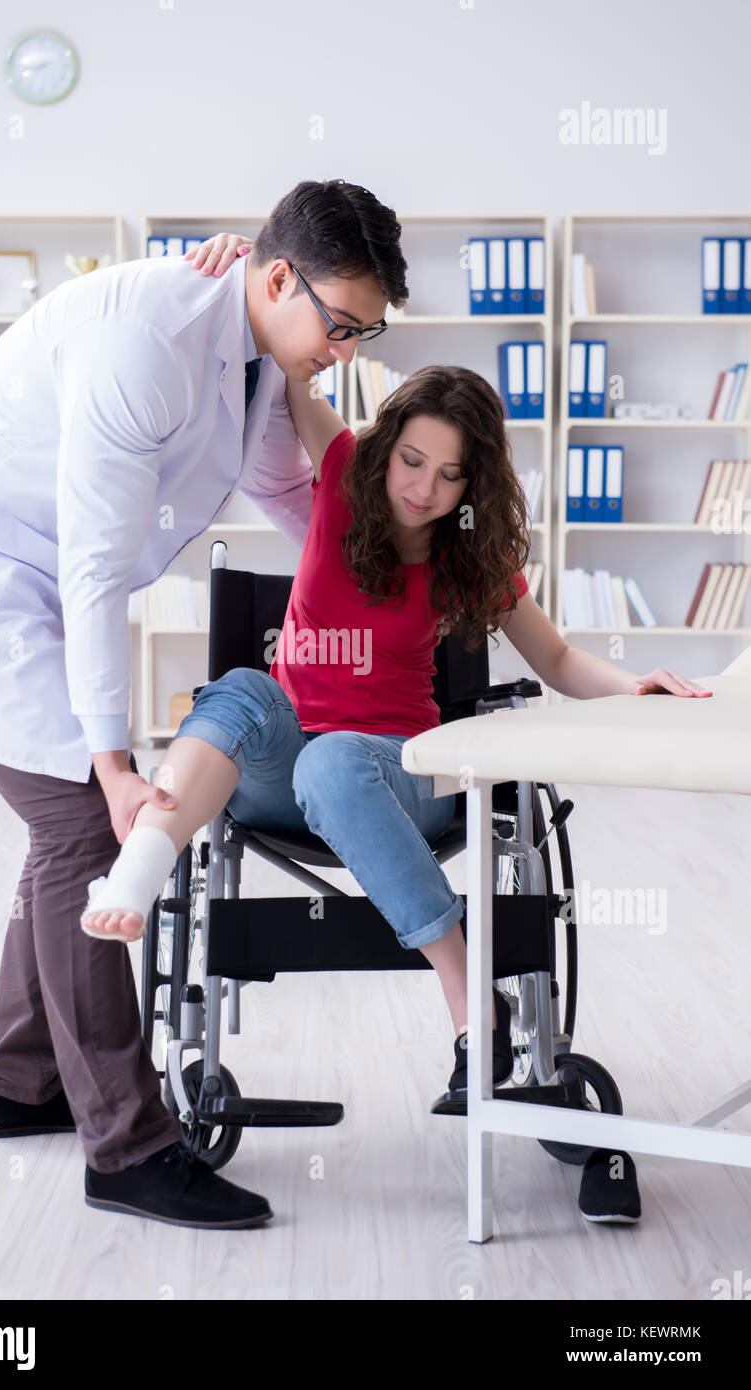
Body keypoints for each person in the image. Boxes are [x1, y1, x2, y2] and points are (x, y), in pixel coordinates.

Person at [81, 232, 713, 1226]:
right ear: (386, 441)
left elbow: (554, 661)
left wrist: (638, 686)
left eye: (447, 475)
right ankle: (145, 856)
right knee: (243, 690)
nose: (418, 485)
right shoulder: (339, 468)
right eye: (410, 457)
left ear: (473, 487)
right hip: (282, 753)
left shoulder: (470, 562)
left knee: (335, 760)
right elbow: (290, 342)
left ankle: (471, 1013)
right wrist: (223, 260)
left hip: (396, 769)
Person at [0, 180, 410, 1231]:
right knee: (84, 821)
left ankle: (19, 1080)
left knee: (61, 830)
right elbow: (90, 567)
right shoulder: (146, 345)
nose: (346, 352)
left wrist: (393, 568)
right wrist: (115, 758)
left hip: (34, 577)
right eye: (340, 325)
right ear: (276, 278)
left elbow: (283, 492)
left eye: (368, 330)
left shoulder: (260, 344)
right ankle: (125, 1147)